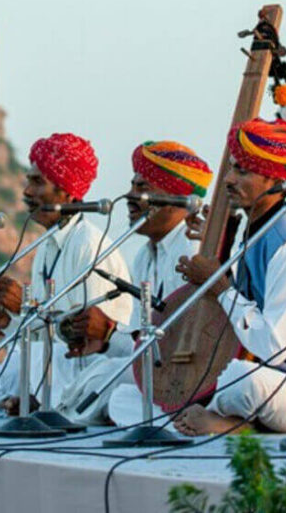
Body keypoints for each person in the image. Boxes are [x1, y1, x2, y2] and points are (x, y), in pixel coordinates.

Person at [0, 132, 135, 422]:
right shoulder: (47, 246)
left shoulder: (89, 246)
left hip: (81, 375)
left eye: (37, 182)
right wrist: (10, 322)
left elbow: (89, 342)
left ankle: (43, 403)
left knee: (14, 375)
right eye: (28, 181)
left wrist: (29, 309)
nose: (26, 192)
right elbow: (40, 334)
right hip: (47, 369)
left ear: (67, 192)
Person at [170, 118, 286, 435]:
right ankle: (223, 419)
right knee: (129, 395)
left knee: (239, 380)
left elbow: (273, 346)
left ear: (273, 179)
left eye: (242, 171)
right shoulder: (254, 232)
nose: (228, 180)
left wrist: (221, 288)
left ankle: (231, 426)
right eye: (231, 169)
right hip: (265, 376)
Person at [91, 141, 214, 426]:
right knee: (107, 384)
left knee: (106, 380)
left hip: (190, 376)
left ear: (175, 198)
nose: (130, 197)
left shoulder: (193, 251)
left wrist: (109, 335)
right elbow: (141, 342)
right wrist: (103, 339)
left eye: (142, 188)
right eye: (132, 186)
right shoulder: (144, 257)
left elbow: (183, 349)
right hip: (157, 374)